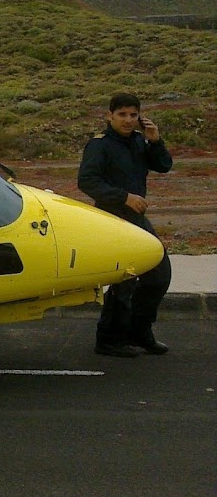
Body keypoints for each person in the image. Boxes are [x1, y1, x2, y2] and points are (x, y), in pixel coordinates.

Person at [77, 92, 174, 357]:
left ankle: (139, 332)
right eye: (122, 114)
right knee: (125, 281)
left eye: (133, 115)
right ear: (110, 116)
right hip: (112, 220)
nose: (128, 120)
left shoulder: (139, 142)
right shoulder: (99, 145)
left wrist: (155, 142)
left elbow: (164, 166)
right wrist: (124, 197)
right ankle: (108, 339)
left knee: (158, 276)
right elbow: (87, 181)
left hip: (136, 221)